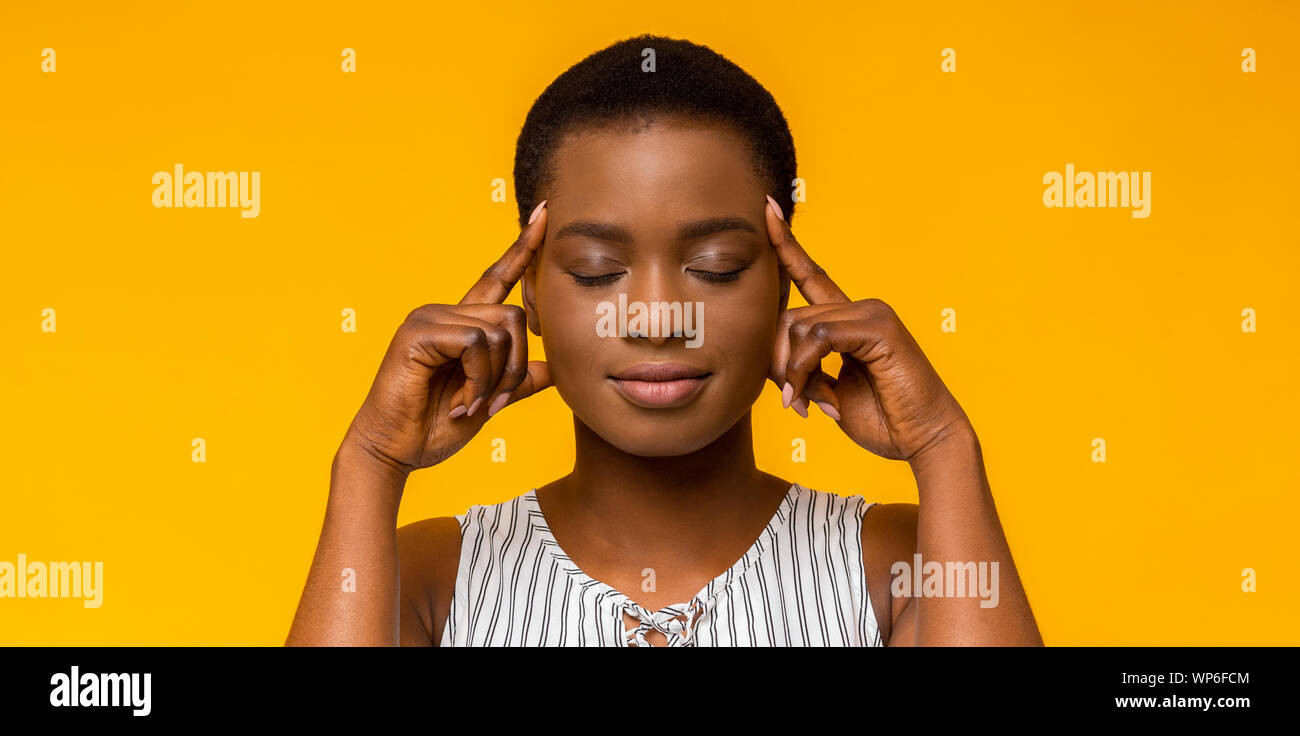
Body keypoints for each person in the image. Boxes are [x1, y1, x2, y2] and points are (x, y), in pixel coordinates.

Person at [286, 34, 1042, 647]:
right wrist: (370, 462)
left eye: (715, 269)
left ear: (782, 287)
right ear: (530, 299)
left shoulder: (900, 566)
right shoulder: (429, 578)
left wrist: (944, 446)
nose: (654, 316)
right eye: (595, 271)